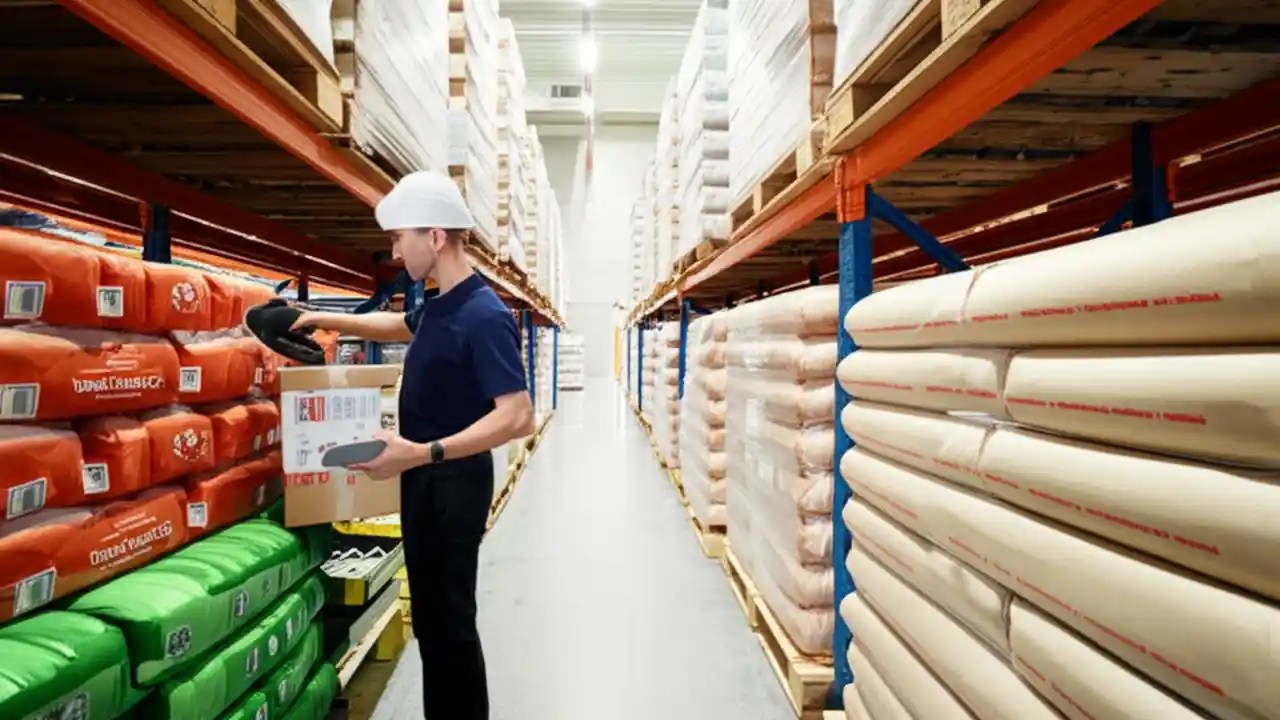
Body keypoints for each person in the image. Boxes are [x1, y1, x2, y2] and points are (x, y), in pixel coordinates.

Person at [292, 170, 534, 720]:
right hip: (424, 481)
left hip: (451, 484)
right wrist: (320, 319)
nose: (395, 251)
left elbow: (518, 415)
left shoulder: (485, 315)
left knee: (450, 624)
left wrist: (423, 453)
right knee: (429, 621)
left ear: (436, 237)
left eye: (400, 238)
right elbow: (398, 325)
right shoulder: (440, 304)